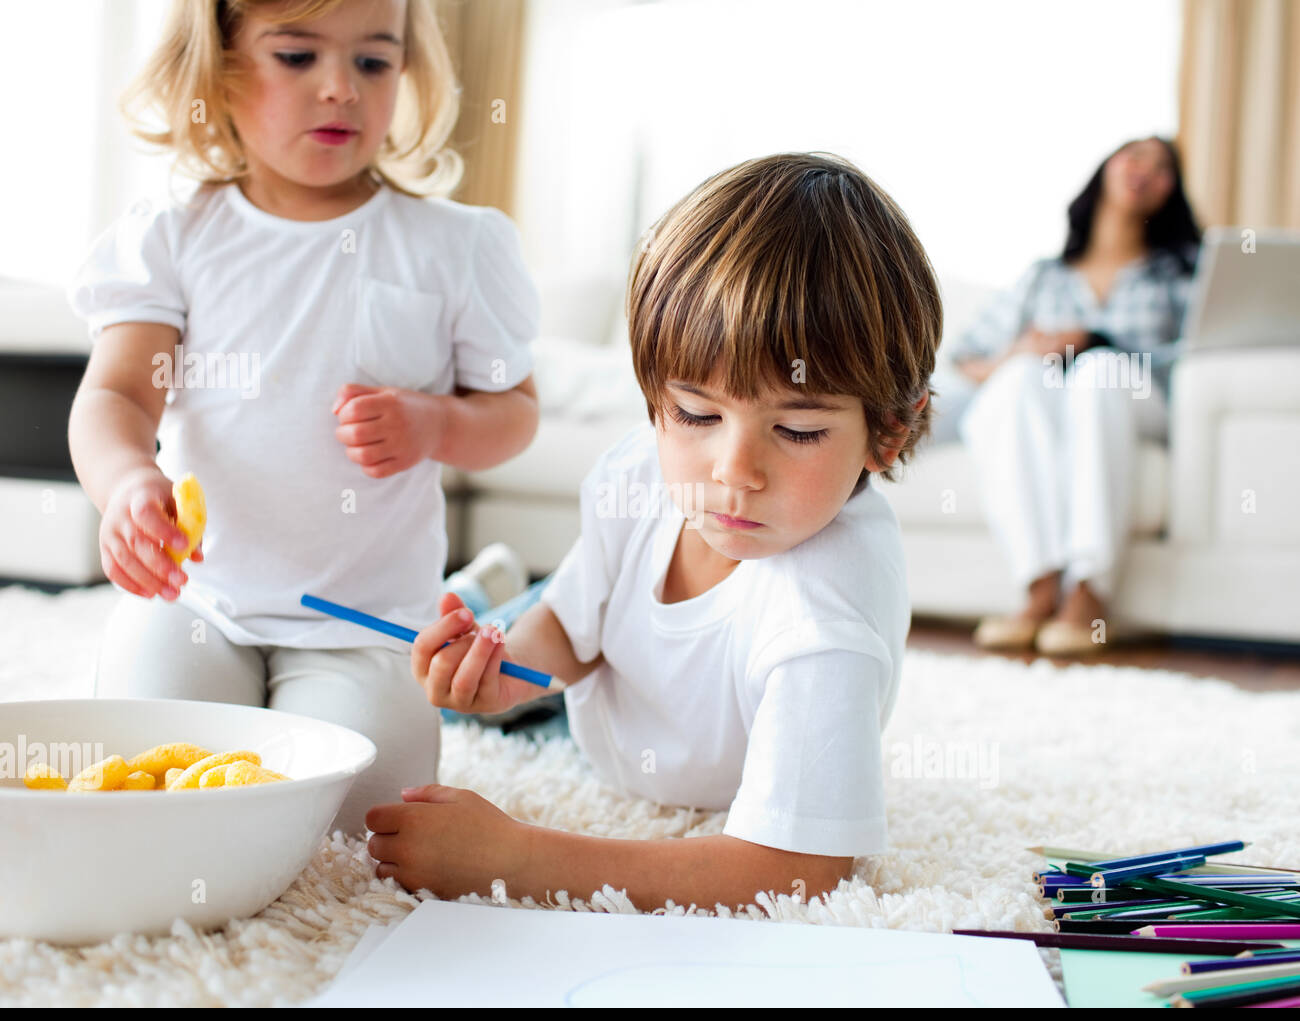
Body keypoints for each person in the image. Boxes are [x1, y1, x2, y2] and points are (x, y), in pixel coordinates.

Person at [365, 152, 944, 911]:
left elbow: (797, 869)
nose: (733, 472)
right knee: (457, 681)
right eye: (698, 415)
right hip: (614, 701)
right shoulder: (639, 473)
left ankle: (497, 586)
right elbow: (573, 633)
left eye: (797, 428)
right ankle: (496, 593)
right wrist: (499, 674)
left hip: (645, 727)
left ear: (888, 433)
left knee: (519, 717)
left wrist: (516, 857)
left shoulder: (825, 612)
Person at [65, 0, 540, 836]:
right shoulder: (174, 235)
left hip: (361, 623)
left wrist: (433, 423)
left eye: (373, 62)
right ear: (216, 65)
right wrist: (128, 481)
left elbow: (513, 413)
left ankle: (470, 595)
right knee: (156, 780)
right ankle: (481, 586)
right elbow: (116, 397)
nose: (340, 91)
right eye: (296, 57)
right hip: (200, 602)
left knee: (358, 811)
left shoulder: (454, 244)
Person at [941, 136, 1201, 656]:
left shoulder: (1179, 273)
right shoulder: (1043, 277)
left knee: (1099, 372)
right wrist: (1018, 354)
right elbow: (965, 357)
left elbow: (1194, 354)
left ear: (1171, 192)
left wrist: (1095, 342)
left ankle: (1088, 591)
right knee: (1016, 381)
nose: (1146, 170)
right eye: (1136, 156)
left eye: (1163, 167)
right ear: (1106, 169)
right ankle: (1040, 587)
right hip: (1052, 400)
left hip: (1135, 396)